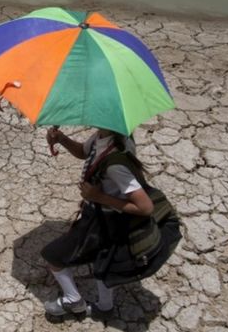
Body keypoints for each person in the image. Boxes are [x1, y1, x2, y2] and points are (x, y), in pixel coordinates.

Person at [40, 126, 180, 316]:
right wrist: (62, 139)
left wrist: (99, 197)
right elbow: (83, 152)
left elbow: (145, 207)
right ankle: (104, 307)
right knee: (103, 262)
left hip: (103, 219)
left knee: (53, 256)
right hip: (108, 218)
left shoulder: (115, 165)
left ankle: (73, 300)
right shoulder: (109, 136)